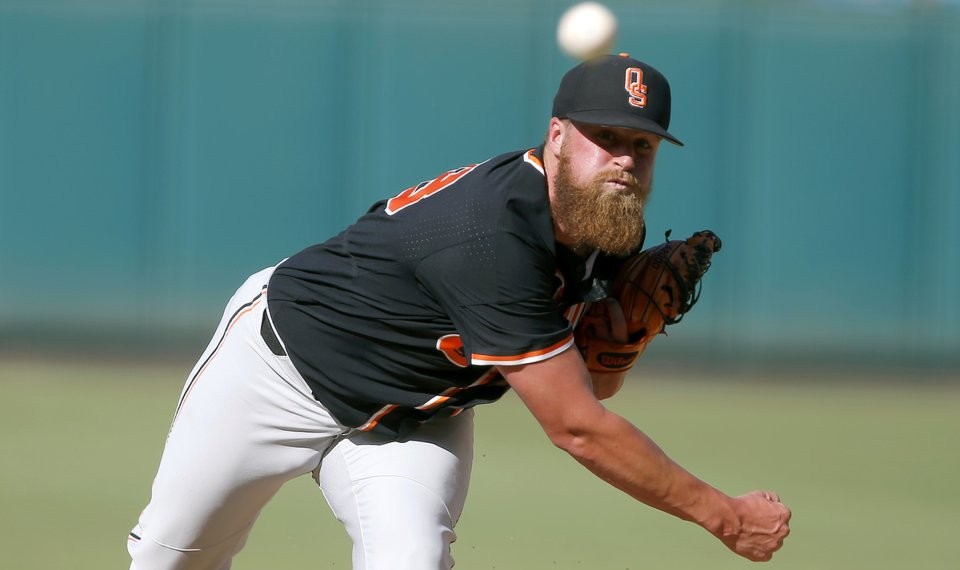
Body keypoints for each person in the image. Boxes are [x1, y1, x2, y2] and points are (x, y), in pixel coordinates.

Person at [127, 53, 791, 569]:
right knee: (168, 559)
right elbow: (577, 427)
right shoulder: (492, 236)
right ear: (558, 136)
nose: (623, 159)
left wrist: (615, 348)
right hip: (278, 374)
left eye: (641, 146)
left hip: (413, 415)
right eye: (606, 136)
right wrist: (725, 515)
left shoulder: (611, 225)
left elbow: (592, 384)